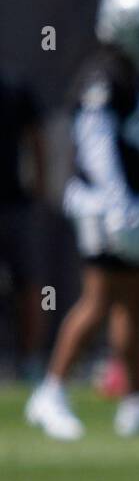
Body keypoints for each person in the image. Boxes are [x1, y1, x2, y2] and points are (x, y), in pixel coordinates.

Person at [25, 0, 139, 440]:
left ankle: (136, 402)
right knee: (99, 300)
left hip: (131, 200)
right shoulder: (104, 75)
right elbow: (95, 143)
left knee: (135, 303)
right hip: (105, 204)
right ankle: (51, 392)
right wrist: (117, 201)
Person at [0, 70, 48, 382]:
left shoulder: (15, 88)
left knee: (27, 284)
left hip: (12, 204)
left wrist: (39, 186)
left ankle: (30, 361)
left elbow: (36, 140)